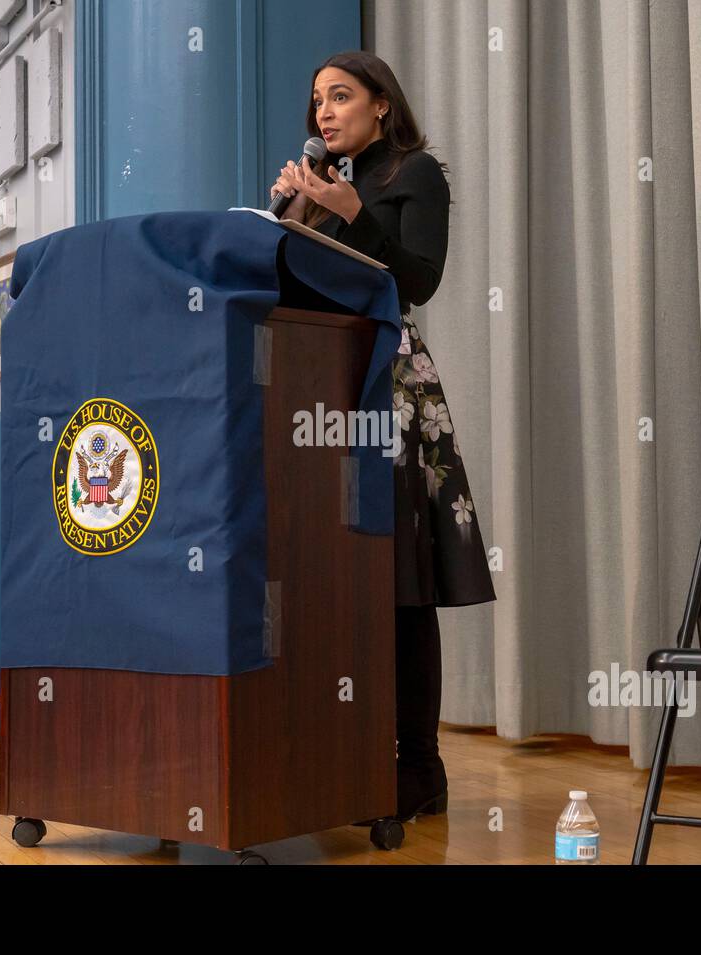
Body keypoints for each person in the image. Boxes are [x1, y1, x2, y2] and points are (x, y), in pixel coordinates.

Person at [269, 51, 497, 822]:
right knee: (330, 571)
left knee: (398, 577)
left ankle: (418, 766)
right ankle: (338, 744)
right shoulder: (317, 183)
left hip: (386, 389)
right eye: (316, 100)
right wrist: (283, 220)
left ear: (382, 106)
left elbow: (417, 279)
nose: (324, 112)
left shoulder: (413, 173)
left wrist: (350, 212)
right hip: (315, 388)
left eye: (340, 96)